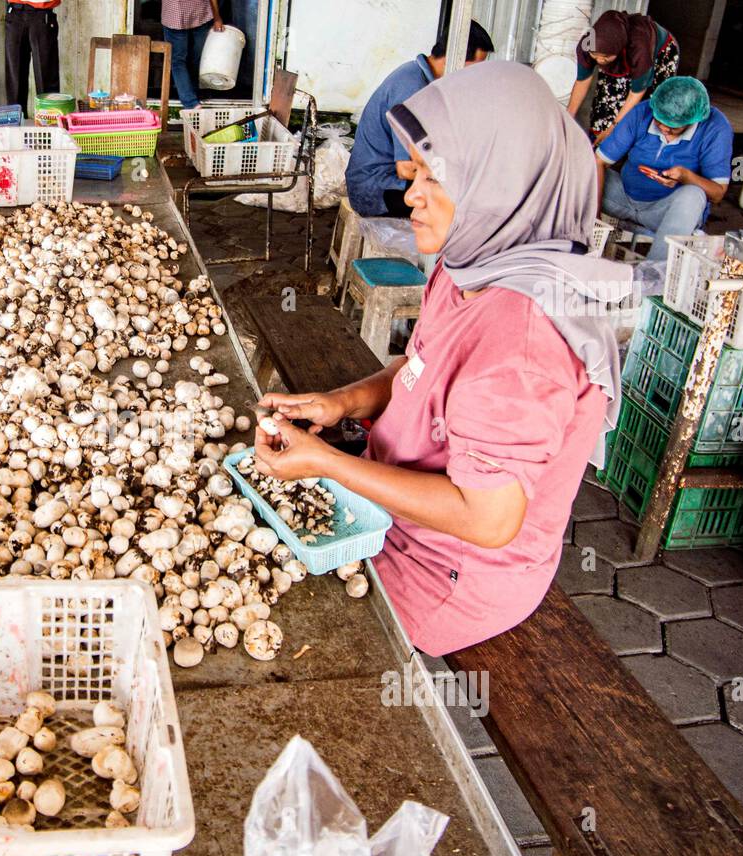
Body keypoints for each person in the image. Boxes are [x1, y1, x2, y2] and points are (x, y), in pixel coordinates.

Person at [255, 61, 632, 657]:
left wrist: (326, 463)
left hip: (448, 569)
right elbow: (419, 365)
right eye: (415, 174)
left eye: (435, 178)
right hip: (395, 508)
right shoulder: (472, 264)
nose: (410, 195)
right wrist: (343, 403)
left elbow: (487, 521)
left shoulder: (522, 346)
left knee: (285, 627)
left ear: (499, 183)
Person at [344, 21, 493, 218]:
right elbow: (406, 169)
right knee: (467, 204)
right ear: (454, 59)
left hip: (386, 183)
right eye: (473, 68)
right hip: (377, 189)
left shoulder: (419, 76)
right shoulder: (412, 89)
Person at [596, 76, 733, 262]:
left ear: (693, 120)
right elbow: (599, 162)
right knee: (581, 170)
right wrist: (594, 217)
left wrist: (686, 176)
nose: (664, 129)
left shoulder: (715, 127)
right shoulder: (642, 112)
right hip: (621, 198)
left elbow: (718, 193)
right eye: (659, 121)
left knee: (693, 195)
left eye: (673, 128)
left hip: (664, 213)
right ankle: (576, 246)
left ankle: (652, 274)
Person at [567, 10, 679, 145]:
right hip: (620, 53)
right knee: (606, 100)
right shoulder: (588, 43)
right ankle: (596, 144)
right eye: (595, 55)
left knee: (651, 102)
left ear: (618, 49)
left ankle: (634, 147)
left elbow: (637, 92)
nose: (600, 61)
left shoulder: (640, 48)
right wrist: (567, 118)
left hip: (661, 52)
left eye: (606, 57)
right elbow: (582, 81)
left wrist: (613, 126)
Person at [163, 0, 224, 110]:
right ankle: (194, 97)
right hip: (199, 14)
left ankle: (192, 103)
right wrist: (217, 17)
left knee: (178, 62)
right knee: (195, 59)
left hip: (175, 17)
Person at [4, 1, 61, 116]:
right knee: (15, 78)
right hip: (15, 14)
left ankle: (48, 124)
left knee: (47, 76)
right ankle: (16, 124)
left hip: (42, 15)